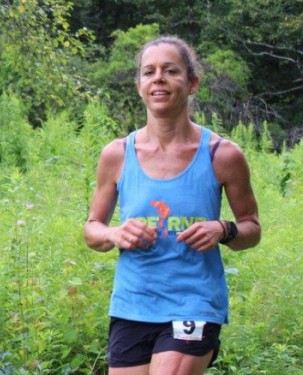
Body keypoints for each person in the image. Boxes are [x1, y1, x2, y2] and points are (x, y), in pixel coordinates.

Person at [83, 36, 261, 374]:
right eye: (149, 72)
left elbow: (252, 229)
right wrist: (116, 234)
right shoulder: (116, 154)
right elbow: (92, 229)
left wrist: (223, 229)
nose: (158, 78)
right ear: (139, 86)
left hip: (193, 301)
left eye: (170, 71)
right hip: (133, 304)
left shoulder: (222, 155)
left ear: (192, 83)